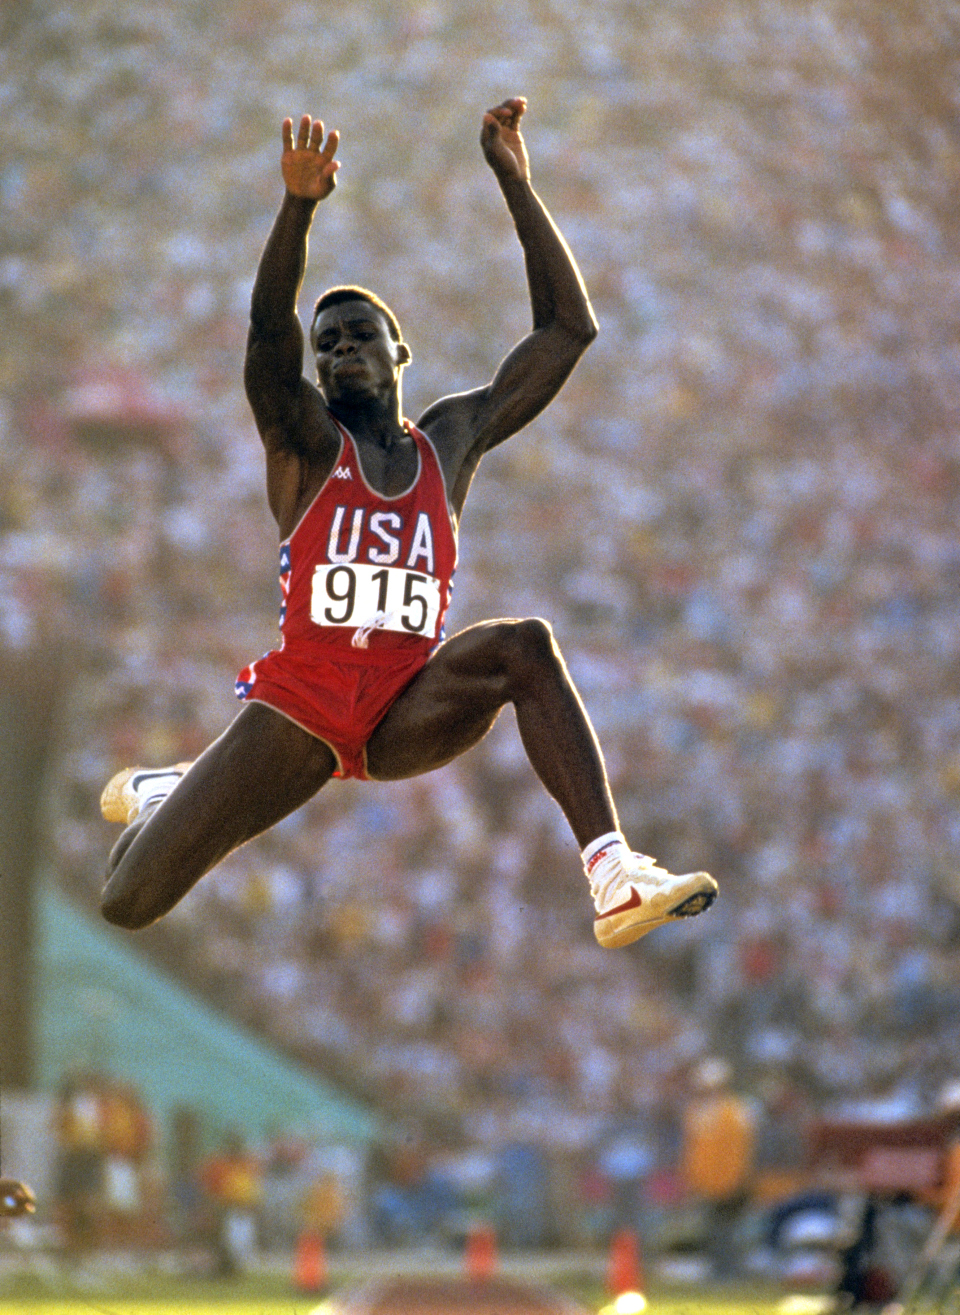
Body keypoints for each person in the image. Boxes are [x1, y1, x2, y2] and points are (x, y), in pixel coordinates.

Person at [99, 97, 718, 949]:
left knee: (524, 645)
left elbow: (569, 330)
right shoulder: (306, 442)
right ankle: (182, 787)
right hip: (301, 707)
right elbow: (266, 336)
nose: (339, 348)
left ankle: (612, 874)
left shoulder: (451, 441)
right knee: (125, 899)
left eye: (359, 334)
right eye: (328, 343)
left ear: (400, 353)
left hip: (404, 704)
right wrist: (297, 208)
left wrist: (516, 184)